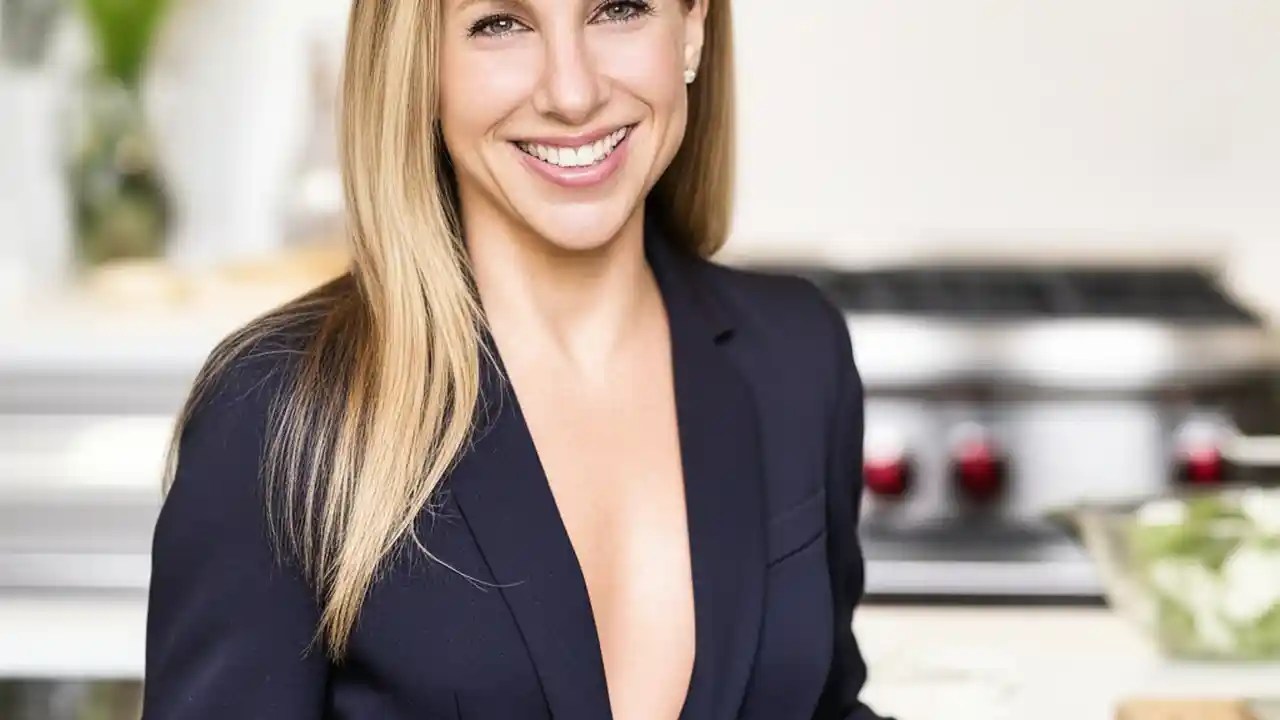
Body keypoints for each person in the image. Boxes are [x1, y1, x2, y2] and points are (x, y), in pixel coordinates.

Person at [142, 1, 892, 718]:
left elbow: (821, 702)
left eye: (620, 8)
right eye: (499, 23)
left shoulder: (797, 356)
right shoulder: (276, 411)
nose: (573, 92)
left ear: (692, 26)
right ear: (418, 66)